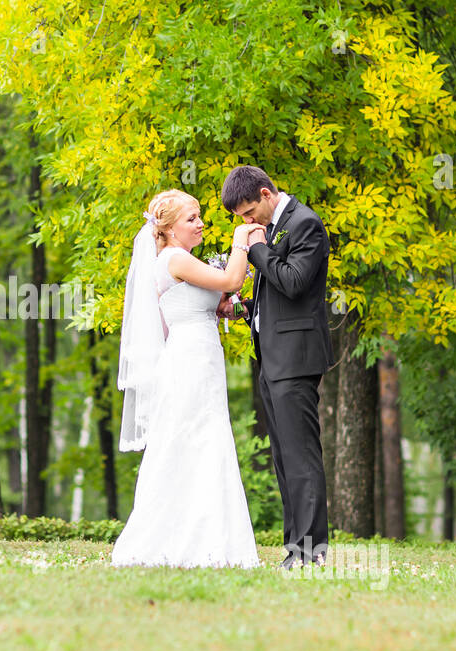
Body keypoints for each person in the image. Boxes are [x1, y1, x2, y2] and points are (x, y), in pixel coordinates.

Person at [111, 189, 264, 568]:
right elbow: (230, 278)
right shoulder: (174, 258)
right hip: (189, 363)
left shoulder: (181, 260)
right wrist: (241, 239)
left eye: (199, 217)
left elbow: (206, 303)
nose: (200, 224)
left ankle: (209, 540)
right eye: (192, 219)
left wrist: (224, 310)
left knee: (203, 441)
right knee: (195, 439)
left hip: (202, 358)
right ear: (169, 229)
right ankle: (179, 541)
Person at [220, 165, 333, 569]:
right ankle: (294, 548)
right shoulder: (271, 227)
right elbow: (278, 296)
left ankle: (310, 551)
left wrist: (254, 249)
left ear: (267, 194)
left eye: (249, 213)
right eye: (242, 219)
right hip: (273, 355)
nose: (247, 223)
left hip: (297, 356)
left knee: (301, 456)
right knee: (284, 457)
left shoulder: (305, 224)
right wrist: (246, 309)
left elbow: (294, 282)